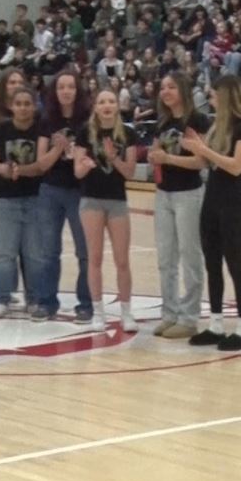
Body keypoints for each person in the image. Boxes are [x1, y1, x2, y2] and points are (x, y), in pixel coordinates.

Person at [181, 76, 241, 351]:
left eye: (214, 94)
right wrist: (193, 150)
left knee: (234, 264)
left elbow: (236, 166)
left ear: (227, 96)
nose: (210, 98)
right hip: (212, 199)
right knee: (212, 263)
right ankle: (215, 323)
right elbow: (207, 161)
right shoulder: (217, 126)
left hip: (234, 203)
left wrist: (204, 149)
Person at [147, 72, 210, 340]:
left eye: (171, 86)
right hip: (164, 194)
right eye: (163, 87)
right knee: (166, 259)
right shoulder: (162, 122)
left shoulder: (197, 120)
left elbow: (201, 161)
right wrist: (154, 157)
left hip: (188, 193)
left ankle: (189, 317)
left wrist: (168, 159)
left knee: (190, 256)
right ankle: (169, 313)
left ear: (183, 89)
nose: (166, 91)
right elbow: (156, 154)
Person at [74, 89, 139, 333]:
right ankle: (98, 312)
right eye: (102, 102)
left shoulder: (128, 134)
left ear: (117, 106)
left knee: (122, 260)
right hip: (91, 200)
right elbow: (77, 173)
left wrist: (113, 159)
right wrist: (86, 164)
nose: (107, 105)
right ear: (96, 107)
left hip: (117, 201)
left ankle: (126, 313)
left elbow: (130, 172)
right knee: (95, 258)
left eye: (111, 101)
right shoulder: (85, 133)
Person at [33, 71, 92, 323]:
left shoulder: (88, 121)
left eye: (70, 86)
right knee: (48, 251)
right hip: (50, 190)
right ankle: (46, 302)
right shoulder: (47, 121)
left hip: (81, 190)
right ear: (54, 92)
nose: (66, 91)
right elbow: (41, 164)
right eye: (61, 87)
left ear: (77, 90)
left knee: (84, 251)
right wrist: (59, 149)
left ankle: (86, 303)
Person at [0, 85, 45, 317]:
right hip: (2, 200)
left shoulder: (41, 131)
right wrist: (1, 168)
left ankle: (35, 298)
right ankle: (2, 297)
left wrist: (24, 170)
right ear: (11, 106)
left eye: (27, 104)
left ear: (34, 106)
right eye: (18, 104)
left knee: (34, 253)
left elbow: (41, 164)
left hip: (34, 198)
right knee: (4, 253)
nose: (23, 108)